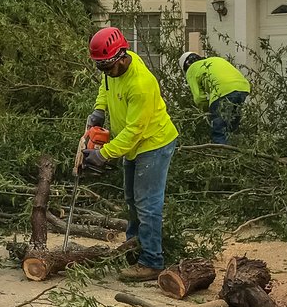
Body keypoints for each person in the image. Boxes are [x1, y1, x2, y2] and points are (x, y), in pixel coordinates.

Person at [80, 27, 178, 282]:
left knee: (147, 203)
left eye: (108, 68)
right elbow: (106, 85)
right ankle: (134, 248)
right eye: (100, 68)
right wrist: (99, 110)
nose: (105, 73)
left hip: (153, 143)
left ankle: (152, 261)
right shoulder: (111, 70)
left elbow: (135, 131)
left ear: (122, 56)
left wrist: (104, 154)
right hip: (132, 144)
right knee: (131, 199)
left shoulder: (141, 84)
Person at [179, 52, 251, 145]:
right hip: (243, 87)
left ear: (185, 66)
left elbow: (199, 98)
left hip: (222, 91)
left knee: (219, 128)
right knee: (231, 125)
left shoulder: (191, 70)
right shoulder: (216, 59)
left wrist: (208, 111)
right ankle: (234, 150)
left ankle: (221, 153)